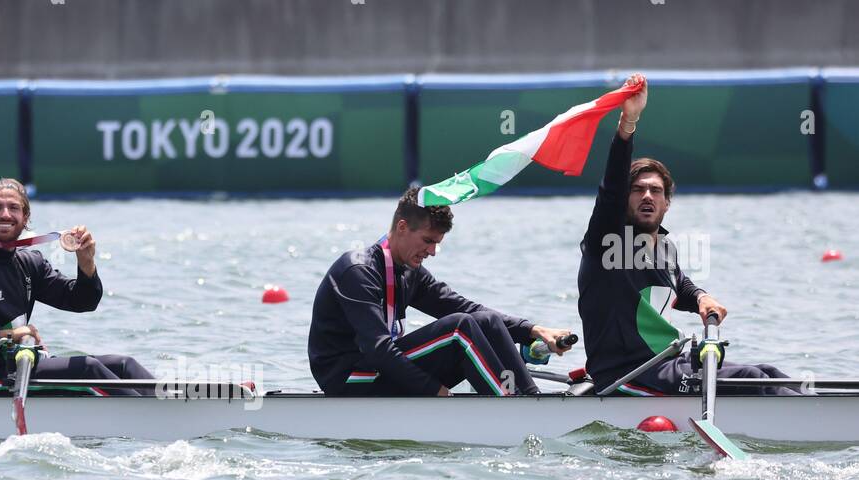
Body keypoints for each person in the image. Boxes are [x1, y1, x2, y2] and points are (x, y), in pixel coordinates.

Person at [578, 73, 791, 395]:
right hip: (628, 373)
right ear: (624, 199)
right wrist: (627, 126)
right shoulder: (607, 241)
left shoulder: (664, 248)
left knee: (766, 373)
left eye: (655, 191)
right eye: (637, 190)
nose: (647, 196)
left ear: (666, 204)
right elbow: (610, 188)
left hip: (667, 362)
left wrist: (702, 297)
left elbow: (681, 286)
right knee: (752, 377)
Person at [308, 187, 575, 397]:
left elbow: (466, 308)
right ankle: (514, 410)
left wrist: (534, 330)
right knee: (460, 329)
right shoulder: (358, 271)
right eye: (428, 241)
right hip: (351, 379)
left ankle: (529, 399)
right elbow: (378, 350)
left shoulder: (409, 271)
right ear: (402, 227)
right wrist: (436, 393)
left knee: (484, 322)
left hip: (379, 369)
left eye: (437, 243)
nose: (433, 251)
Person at [0, 178, 153, 396]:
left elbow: (82, 302)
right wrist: (7, 335)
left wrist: (86, 263)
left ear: (25, 217)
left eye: (14, 208)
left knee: (124, 364)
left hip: (23, 366)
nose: (5, 214)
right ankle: (156, 421)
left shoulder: (29, 263)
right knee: (88, 368)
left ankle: (175, 401)